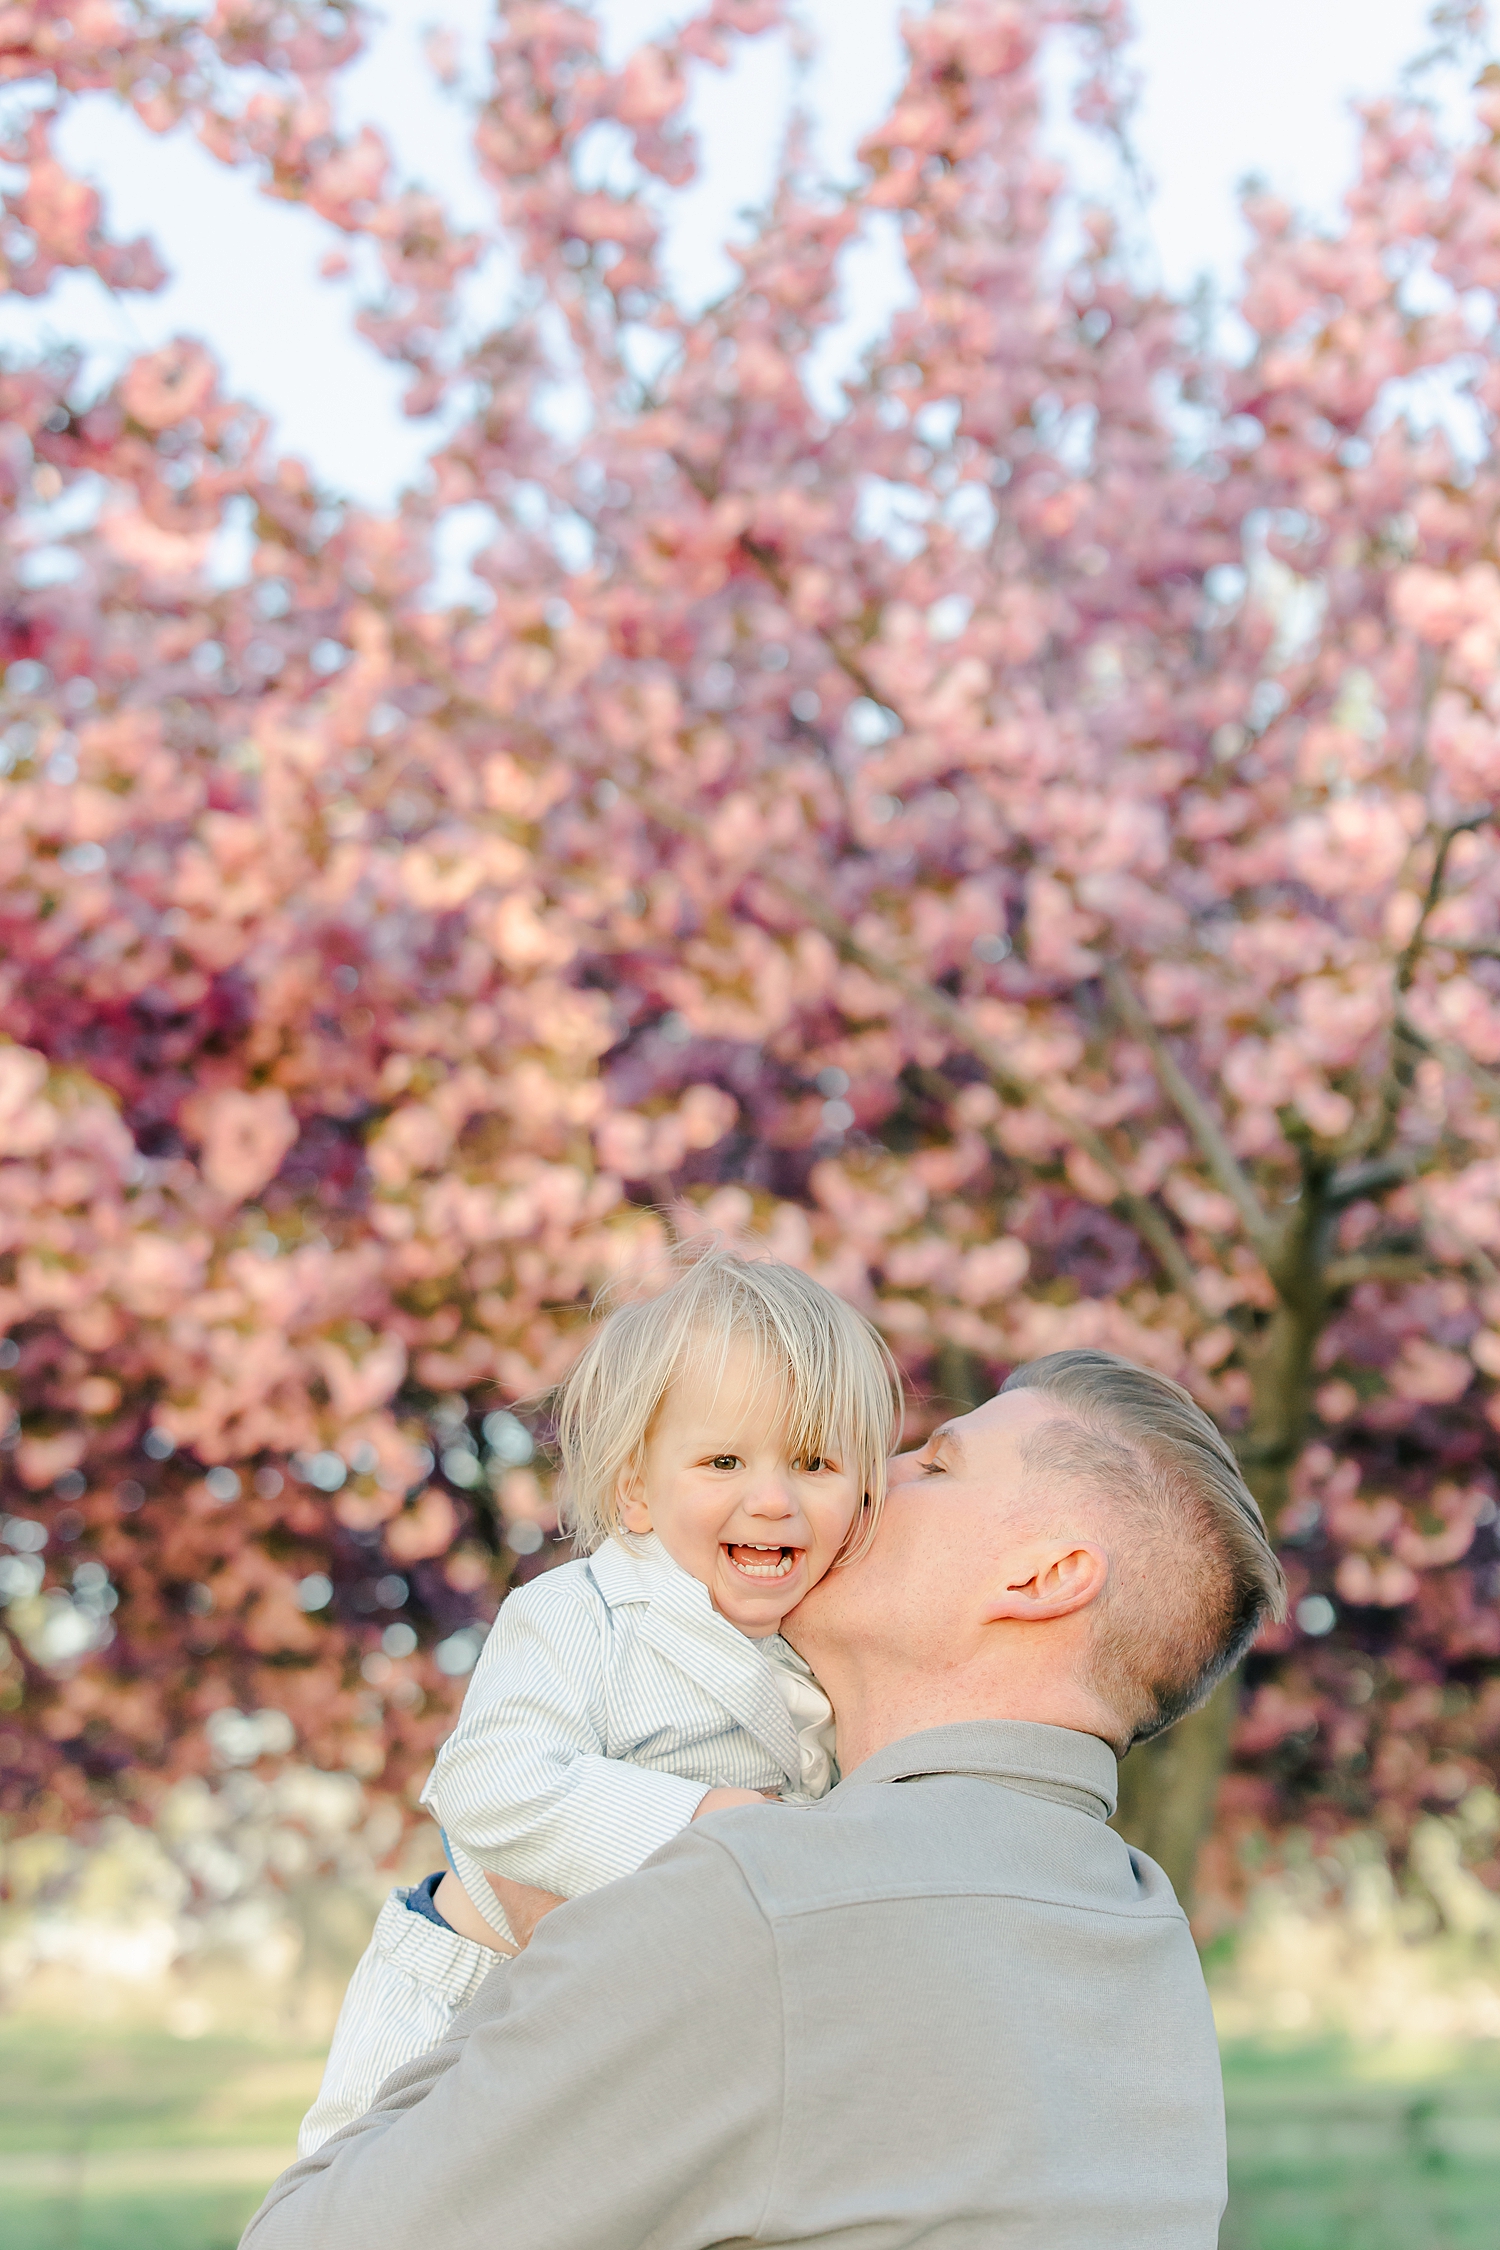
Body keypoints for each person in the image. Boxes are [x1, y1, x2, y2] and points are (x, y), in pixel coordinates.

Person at [246, 1347, 1286, 2250]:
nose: (870, 1478)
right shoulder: (1148, 1951)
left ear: (1043, 1575)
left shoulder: (754, 1902)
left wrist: (502, 1940)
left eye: (936, 1464)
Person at [298, 1243, 901, 2150]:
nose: (774, 1499)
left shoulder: (827, 1644)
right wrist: (708, 1822)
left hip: (644, 2025)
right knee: (359, 2206)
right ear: (637, 1492)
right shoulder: (583, 1613)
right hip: (471, 1993)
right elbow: (488, 1784)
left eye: (815, 1462)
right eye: (724, 1462)